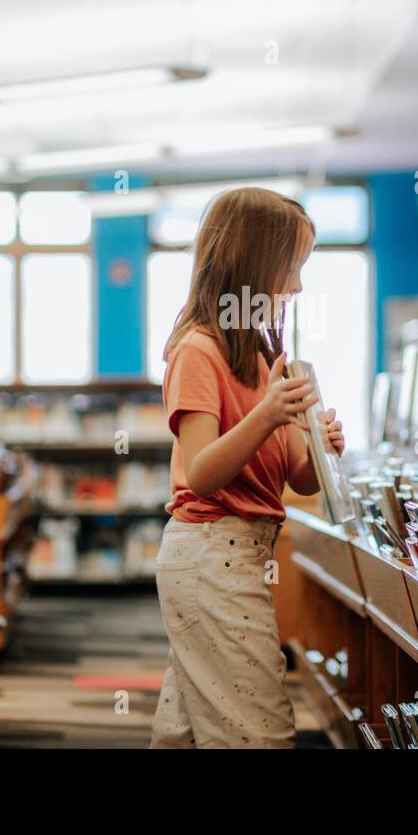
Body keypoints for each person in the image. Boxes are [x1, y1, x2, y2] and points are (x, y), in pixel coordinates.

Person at [149, 186, 345, 749]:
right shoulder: (198, 351)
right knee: (260, 732)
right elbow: (203, 469)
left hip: (241, 555)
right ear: (254, 262)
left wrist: (320, 445)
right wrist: (267, 414)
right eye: (292, 265)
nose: (299, 284)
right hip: (212, 555)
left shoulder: (262, 357)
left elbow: (296, 478)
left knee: (186, 733)